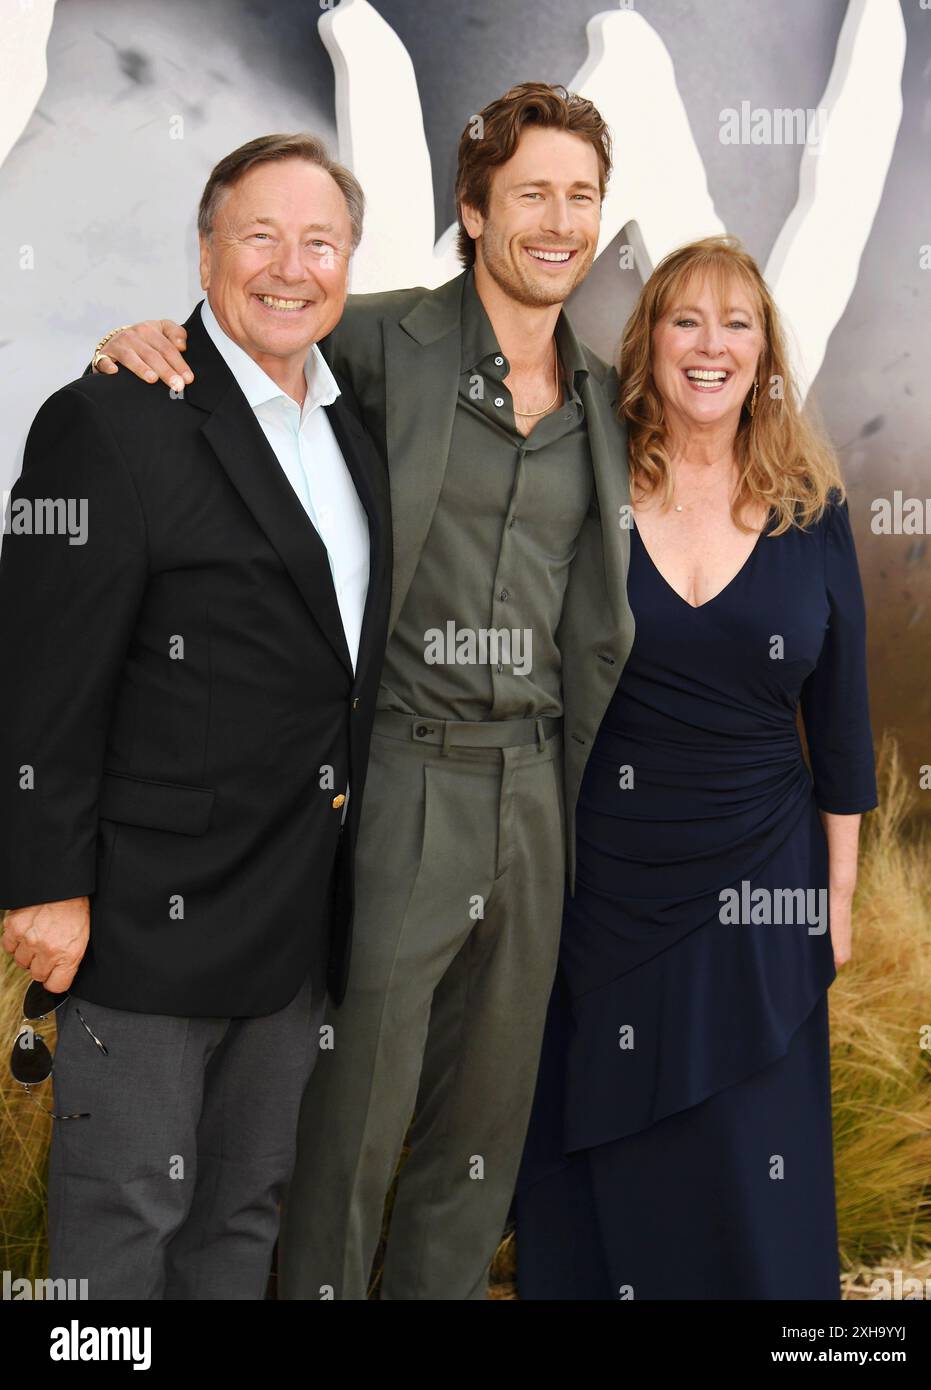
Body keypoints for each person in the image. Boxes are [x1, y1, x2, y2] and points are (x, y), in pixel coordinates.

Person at [83, 83, 634, 1300]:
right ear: (474, 210)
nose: (557, 221)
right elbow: (235, 364)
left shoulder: (604, 396)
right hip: (401, 779)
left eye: (580, 197)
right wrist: (135, 346)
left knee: (478, 1134)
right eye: (531, 193)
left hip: (535, 791)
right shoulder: (377, 340)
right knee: (349, 1125)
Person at [0, 133, 391, 1299]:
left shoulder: (350, 424)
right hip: (137, 924)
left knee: (239, 1224)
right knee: (123, 1230)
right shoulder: (111, 416)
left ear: (348, 261)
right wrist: (40, 884)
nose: (289, 265)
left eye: (318, 241)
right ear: (207, 249)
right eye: (258, 235)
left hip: (294, 925)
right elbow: (35, 672)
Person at [514, 235, 879, 1300]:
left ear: (763, 350)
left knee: (750, 1165)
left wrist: (838, 895)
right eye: (685, 320)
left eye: (735, 322)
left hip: (765, 892)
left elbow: (842, 720)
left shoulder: (811, 506)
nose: (709, 345)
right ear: (648, 343)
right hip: (602, 886)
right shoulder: (583, 482)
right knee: (607, 1160)